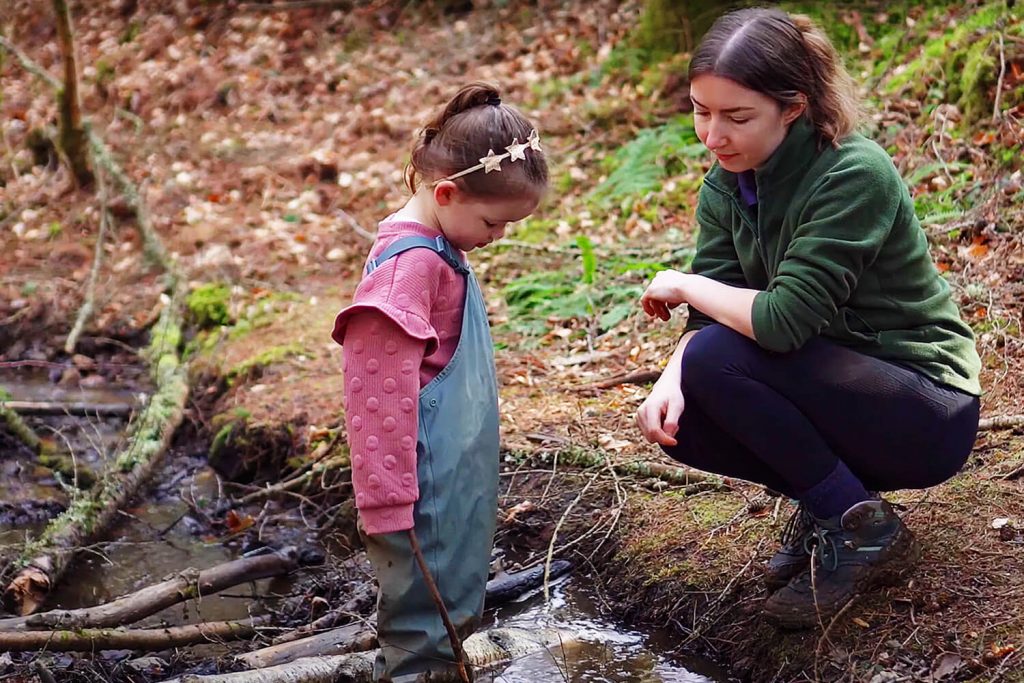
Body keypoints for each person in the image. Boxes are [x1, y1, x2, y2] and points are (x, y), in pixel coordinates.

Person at [635, 8, 981, 630]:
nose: (712, 136)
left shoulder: (853, 173)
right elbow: (719, 309)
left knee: (714, 360)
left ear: (793, 107)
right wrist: (671, 373)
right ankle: (841, 510)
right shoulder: (727, 184)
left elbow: (781, 322)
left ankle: (864, 533)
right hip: (836, 383)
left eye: (737, 117)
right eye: (699, 110)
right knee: (681, 417)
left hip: (926, 404)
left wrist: (686, 287)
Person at [331, 81, 548, 680]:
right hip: (417, 483)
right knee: (422, 627)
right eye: (491, 222)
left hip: (452, 474)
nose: (496, 236)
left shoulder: (440, 245)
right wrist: (388, 500)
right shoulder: (409, 268)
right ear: (447, 192)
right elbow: (375, 395)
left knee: (450, 605)